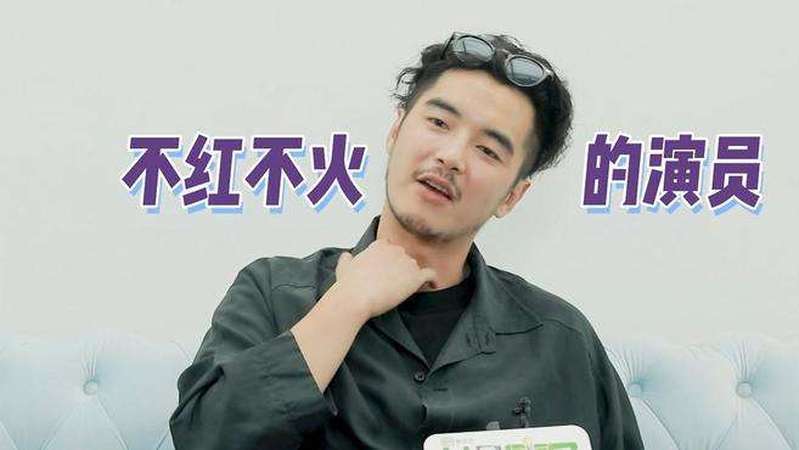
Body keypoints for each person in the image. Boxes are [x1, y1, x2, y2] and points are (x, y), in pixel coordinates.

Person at [169, 31, 644, 450]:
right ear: (396, 130)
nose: (451, 156)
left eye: (487, 150)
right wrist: (346, 305)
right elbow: (207, 437)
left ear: (512, 196)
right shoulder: (275, 293)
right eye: (438, 123)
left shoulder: (560, 340)